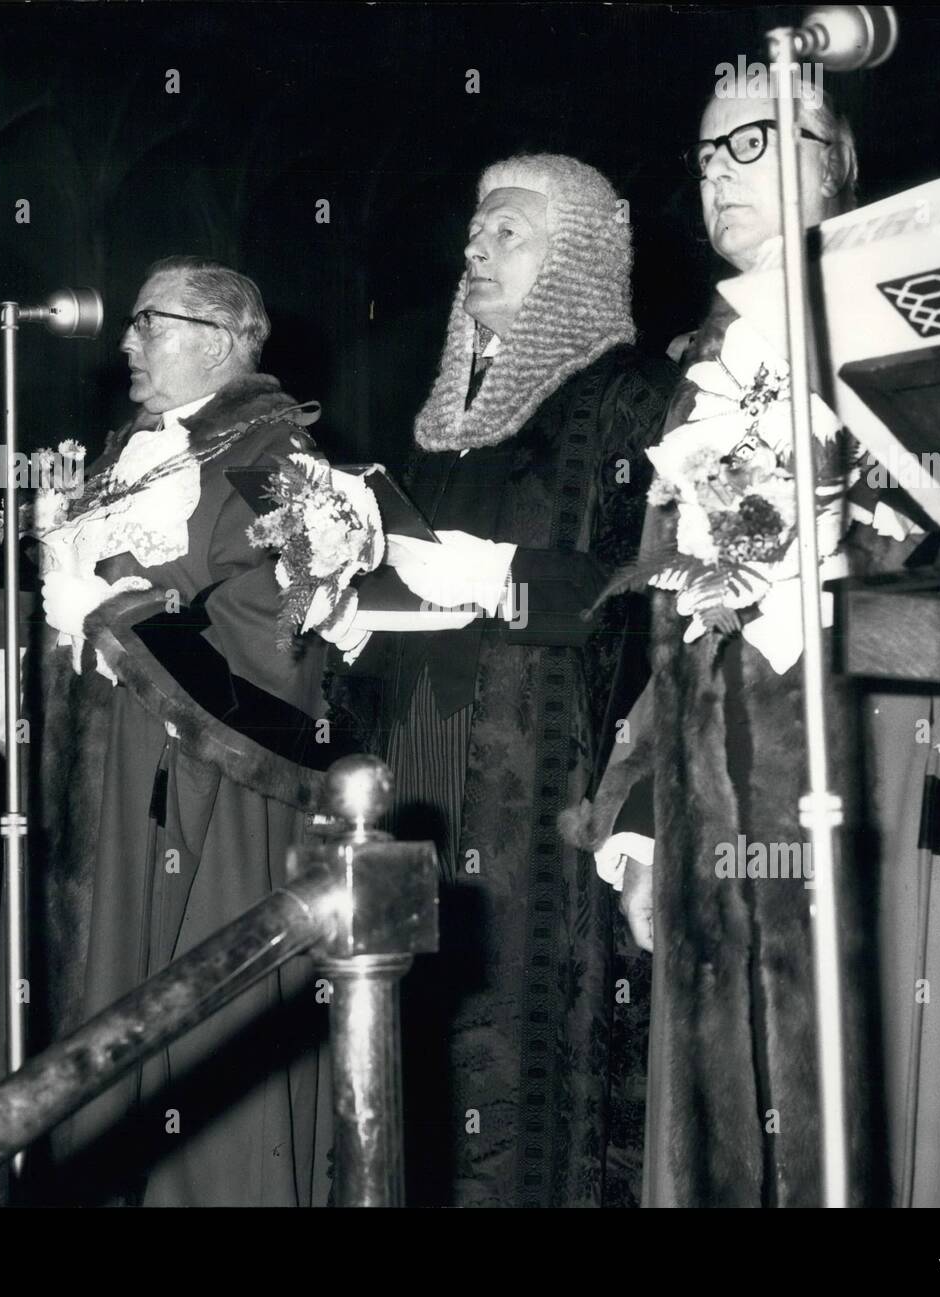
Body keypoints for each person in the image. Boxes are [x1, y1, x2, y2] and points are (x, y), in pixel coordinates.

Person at [571, 85, 940, 1208]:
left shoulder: (921, 312)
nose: (718, 166)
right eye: (706, 146)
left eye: (756, 139)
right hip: (722, 797)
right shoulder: (702, 368)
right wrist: (646, 825)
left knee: (902, 1101)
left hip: (884, 758)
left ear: (839, 160)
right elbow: (673, 622)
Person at [0, 256, 337, 1206]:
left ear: (218, 340)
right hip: (92, 786)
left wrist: (123, 619)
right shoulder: (138, 450)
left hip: (189, 804)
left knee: (176, 1048)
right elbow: (42, 572)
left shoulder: (266, 456)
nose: (126, 342)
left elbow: (274, 639)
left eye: (147, 323)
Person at [326, 154, 677, 1207]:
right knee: (405, 1039)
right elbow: (408, 600)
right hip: (421, 773)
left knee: (523, 1069)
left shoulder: (634, 401)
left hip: (538, 791)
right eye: (473, 234)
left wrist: (500, 577)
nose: (473, 250)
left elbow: (648, 592)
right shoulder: (433, 427)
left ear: (573, 256)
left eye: (507, 232)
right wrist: (351, 618)